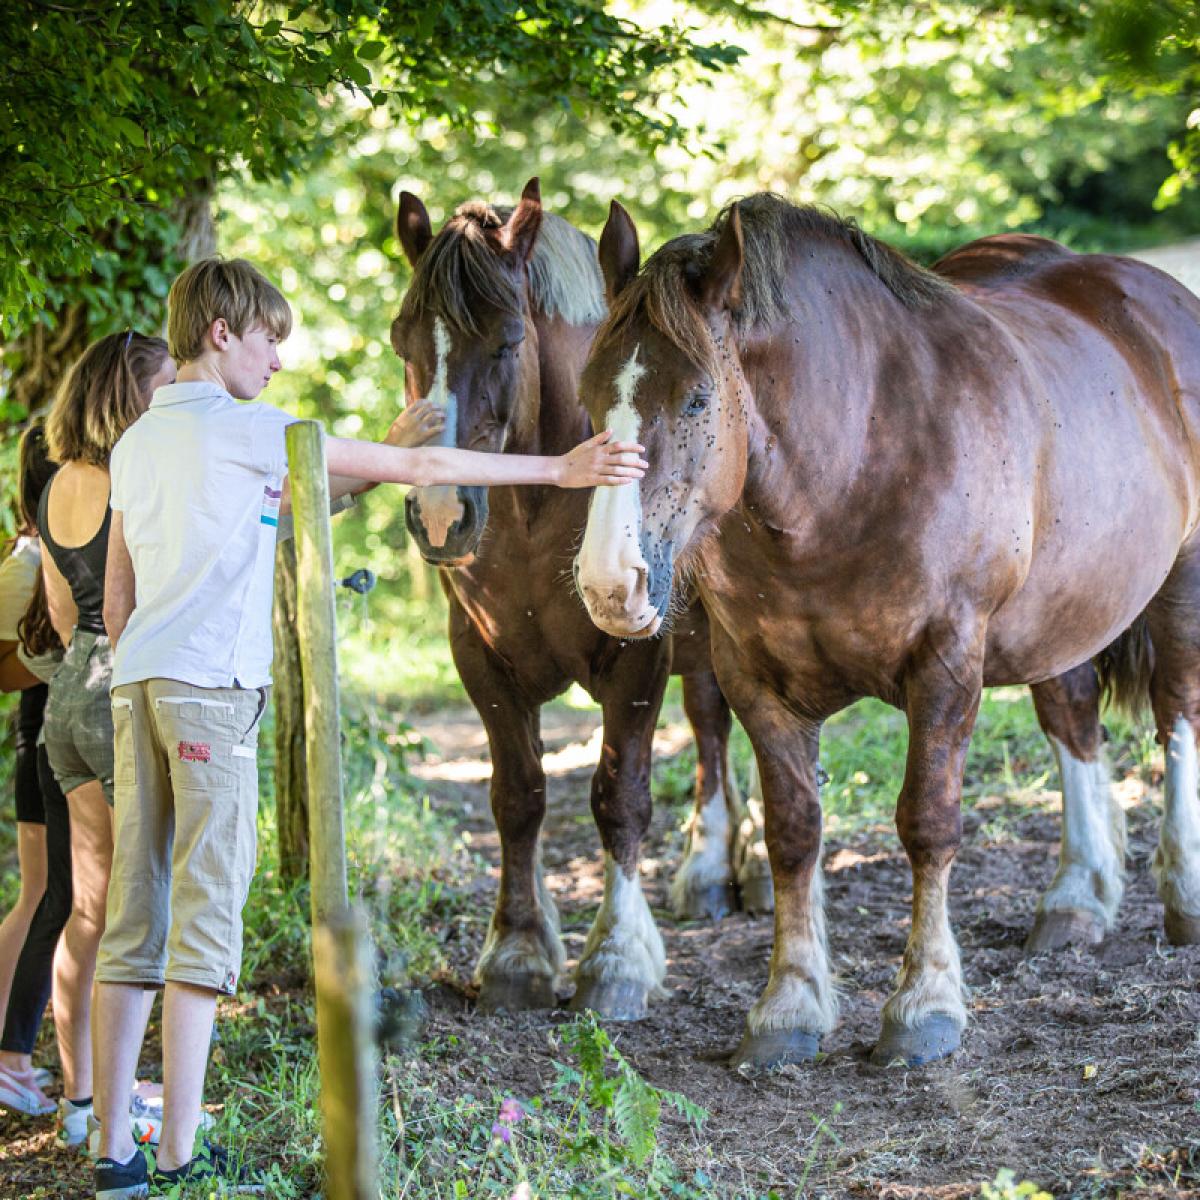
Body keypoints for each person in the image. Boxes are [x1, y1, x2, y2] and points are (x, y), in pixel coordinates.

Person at [92, 256, 646, 1198]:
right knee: (204, 923)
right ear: (222, 331)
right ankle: (179, 1155)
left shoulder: (137, 443)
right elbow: (427, 467)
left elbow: (117, 606)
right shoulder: (249, 430)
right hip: (210, 698)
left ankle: (112, 1151)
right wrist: (564, 465)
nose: (276, 361)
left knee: (132, 923)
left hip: (136, 686)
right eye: (268, 338)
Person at [36, 332, 177, 1151]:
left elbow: (61, 617)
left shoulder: (56, 485)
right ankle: (125, 1114)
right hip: (125, 687)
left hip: (67, 699)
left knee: (88, 911)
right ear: (130, 393)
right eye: (162, 384)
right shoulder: (137, 476)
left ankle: (79, 1100)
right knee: (139, 911)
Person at [0, 425, 63, 1117]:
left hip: (56, 734)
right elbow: (2, 671)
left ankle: (11, 1057)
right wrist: (54, 651)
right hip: (43, 735)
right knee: (43, 898)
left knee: (45, 897)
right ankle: (12, 1058)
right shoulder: (26, 558)